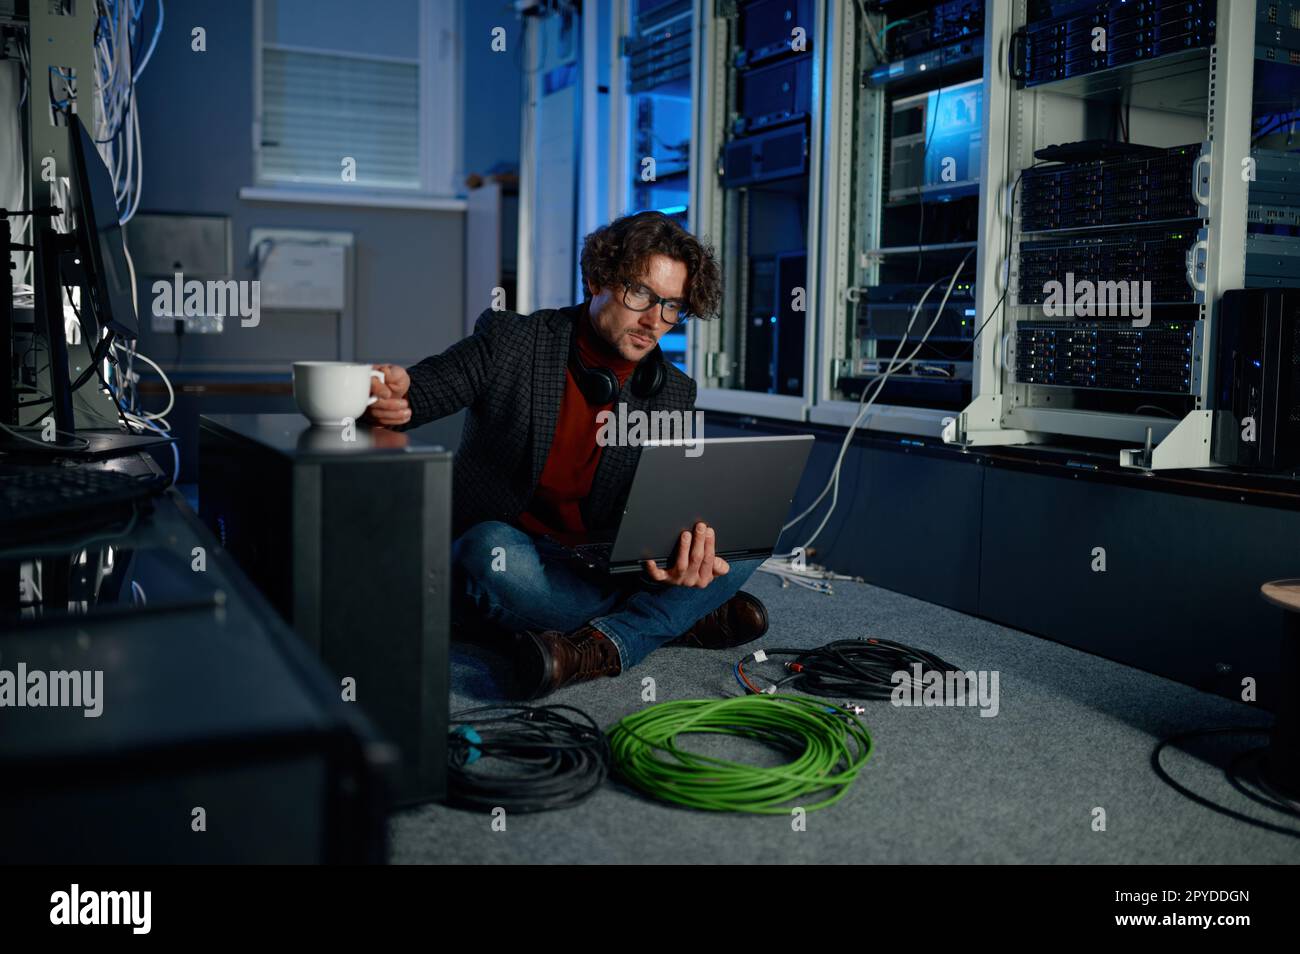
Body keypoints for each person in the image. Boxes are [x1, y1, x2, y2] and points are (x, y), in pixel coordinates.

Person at [364, 211, 768, 698]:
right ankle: (672, 620)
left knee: (752, 530)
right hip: (519, 557)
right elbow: (425, 389)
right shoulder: (512, 340)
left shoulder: (673, 390)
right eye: (639, 294)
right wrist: (399, 396)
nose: (654, 322)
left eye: (671, 307)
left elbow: (658, 510)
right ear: (596, 278)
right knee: (487, 551)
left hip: (602, 564)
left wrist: (683, 552)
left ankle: (605, 643)